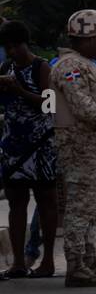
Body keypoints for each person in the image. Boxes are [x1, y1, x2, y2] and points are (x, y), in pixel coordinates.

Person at [53, 10, 96, 287]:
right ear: (86, 37)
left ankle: (89, 258)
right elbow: (81, 104)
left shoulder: (87, 64)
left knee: (92, 208)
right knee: (80, 208)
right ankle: (76, 264)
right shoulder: (70, 66)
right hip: (80, 148)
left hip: (95, 147)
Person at [0, 20, 58, 279]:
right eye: (7, 47)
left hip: (41, 145)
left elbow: (49, 105)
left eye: (15, 46)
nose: (11, 52)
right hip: (14, 145)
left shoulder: (41, 67)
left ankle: (47, 261)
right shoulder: (6, 67)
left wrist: (20, 90)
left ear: (25, 43)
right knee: (16, 201)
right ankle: (18, 262)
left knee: (46, 200)